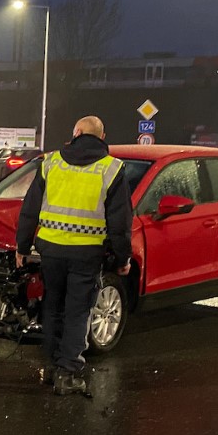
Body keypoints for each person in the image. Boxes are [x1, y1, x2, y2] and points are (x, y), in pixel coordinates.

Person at [15, 115, 133, 395]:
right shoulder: (112, 168)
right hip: (87, 253)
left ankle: (51, 367)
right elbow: (120, 222)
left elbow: (29, 210)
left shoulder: (51, 162)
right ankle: (68, 373)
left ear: (76, 132)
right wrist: (122, 258)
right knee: (78, 310)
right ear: (102, 137)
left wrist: (22, 247)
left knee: (52, 305)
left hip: (50, 249)